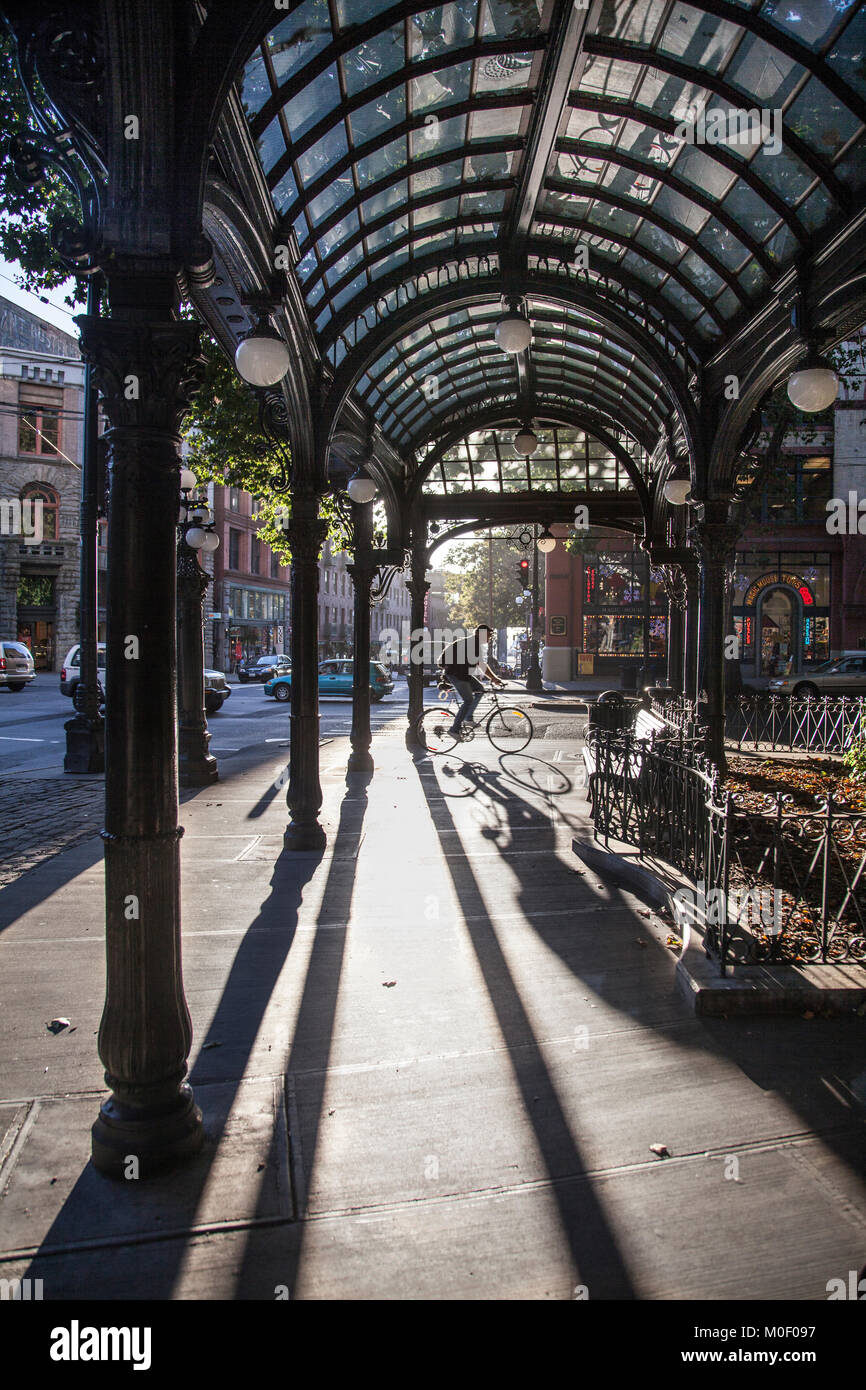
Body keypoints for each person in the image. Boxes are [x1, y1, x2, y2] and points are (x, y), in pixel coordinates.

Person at [439, 624, 505, 736]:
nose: (489, 638)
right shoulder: (472, 643)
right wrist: (493, 678)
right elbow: (481, 664)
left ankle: (468, 718)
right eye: (488, 635)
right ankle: (454, 729)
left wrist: (493, 678)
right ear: (479, 634)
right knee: (468, 700)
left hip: (463, 674)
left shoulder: (474, 643)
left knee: (480, 689)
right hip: (456, 674)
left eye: (490, 635)